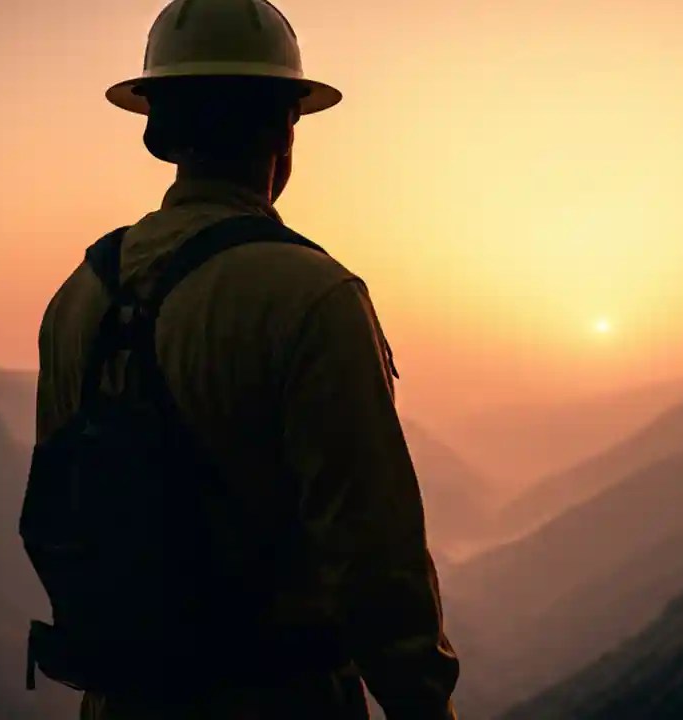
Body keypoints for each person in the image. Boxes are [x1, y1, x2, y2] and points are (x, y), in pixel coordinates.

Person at [27, 1, 459, 718]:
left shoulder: (79, 296)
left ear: (158, 128)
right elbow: (372, 554)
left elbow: (61, 512)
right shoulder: (312, 296)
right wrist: (422, 705)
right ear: (284, 124)